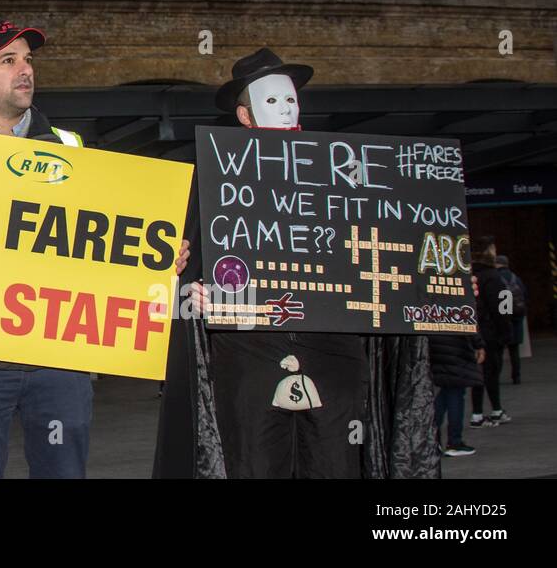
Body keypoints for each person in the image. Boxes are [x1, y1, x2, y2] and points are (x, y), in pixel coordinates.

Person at [154, 48, 439, 478]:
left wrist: (431, 275)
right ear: (245, 116)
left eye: (291, 100)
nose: (286, 111)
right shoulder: (211, 179)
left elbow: (384, 246)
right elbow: (183, 265)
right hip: (247, 353)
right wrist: (188, 288)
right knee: (252, 461)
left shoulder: (341, 173)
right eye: (271, 101)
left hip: (332, 349)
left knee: (335, 463)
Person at [0, 20, 190, 479]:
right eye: (9, 60)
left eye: (29, 60)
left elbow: (105, 241)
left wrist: (155, 259)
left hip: (58, 358)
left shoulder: (70, 148)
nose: (25, 71)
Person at [470, 240, 512, 426]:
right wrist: (506, 329)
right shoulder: (494, 277)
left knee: (477, 373)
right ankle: (496, 410)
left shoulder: (470, 275)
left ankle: (477, 413)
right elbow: (504, 305)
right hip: (491, 331)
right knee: (492, 371)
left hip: (474, 330)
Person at [429, 327, 484, 457]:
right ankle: (454, 441)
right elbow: (466, 319)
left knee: (446, 393)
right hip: (455, 346)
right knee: (455, 393)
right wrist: (479, 344)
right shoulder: (456, 307)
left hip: (435, 342)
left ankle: (431, 438)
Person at [495, 255, 527, 383]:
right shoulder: (516, 278)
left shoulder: (496, 278)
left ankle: (496, 377)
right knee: (514, 351)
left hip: (503, 318)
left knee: (499, 351)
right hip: (517, 318)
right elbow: (525, 295)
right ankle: (516, 376)